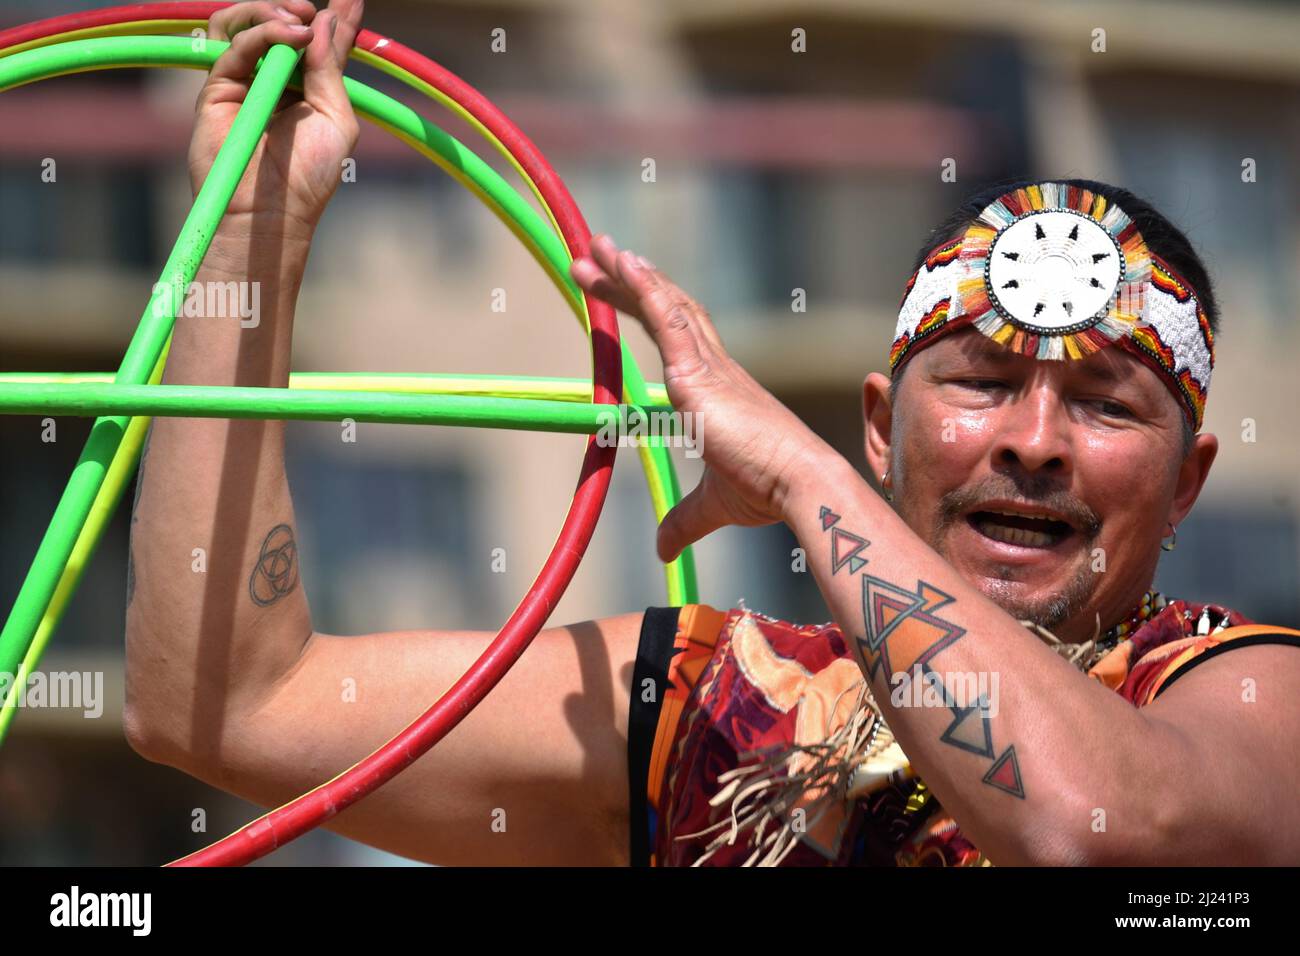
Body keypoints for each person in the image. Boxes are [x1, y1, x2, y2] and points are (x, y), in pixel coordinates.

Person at [123, 0, 1300, 866]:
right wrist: (250, 240)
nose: (1034, 440)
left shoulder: (1249, 694)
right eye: (982, 384)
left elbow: (1079, 828)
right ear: (885, 427)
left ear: (1187, 480)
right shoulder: (729, 704)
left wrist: (798, 469)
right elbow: (227, 708)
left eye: (1103, 404)